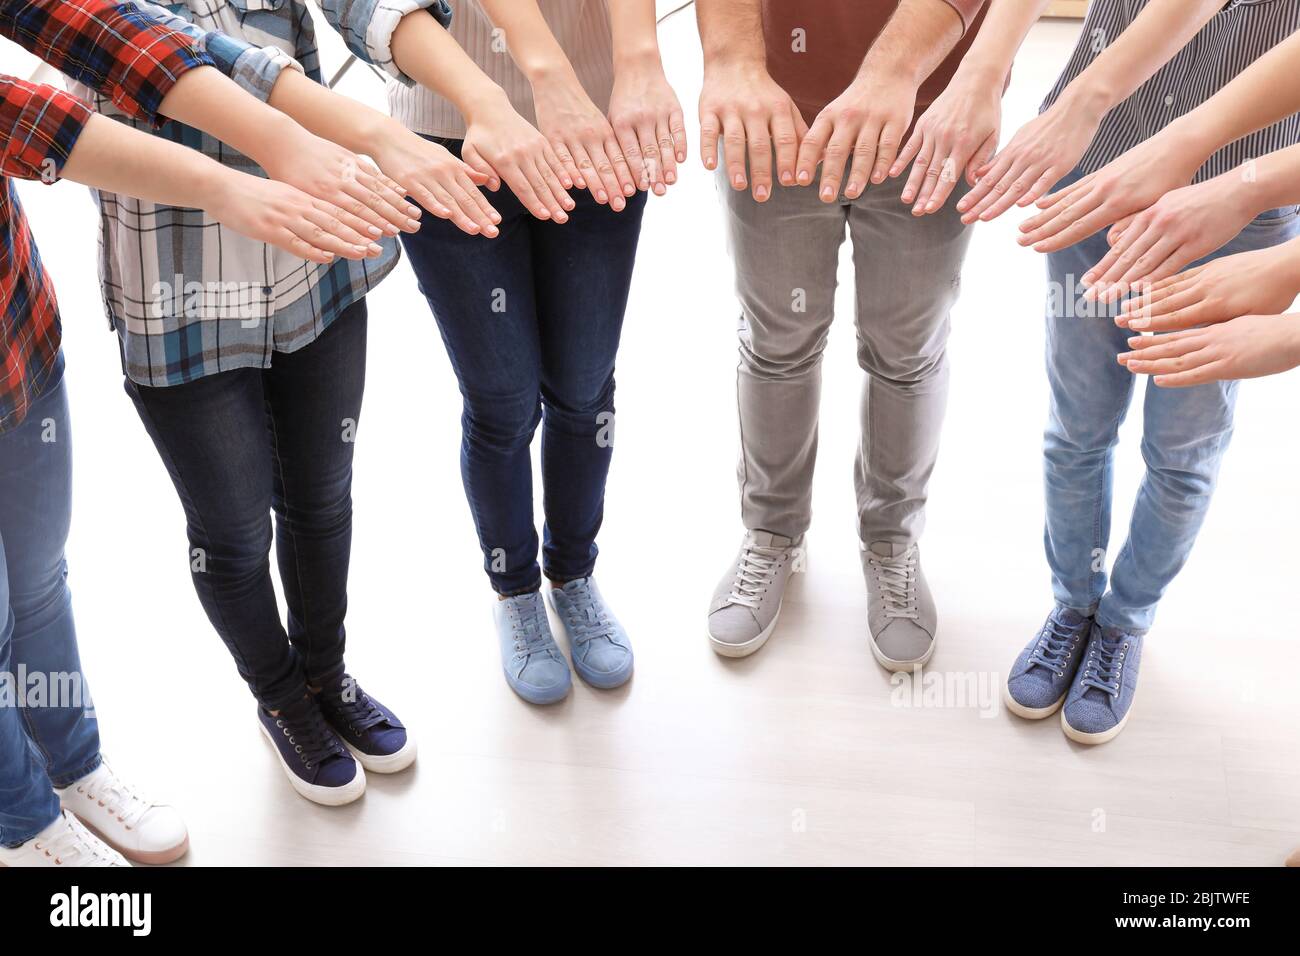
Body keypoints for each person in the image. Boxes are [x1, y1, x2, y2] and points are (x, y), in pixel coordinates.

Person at [63, 0, 507, 805]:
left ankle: (327, 674)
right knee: (231, 532)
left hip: (319, 272)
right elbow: (179, 58)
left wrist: (478, 93)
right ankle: (279, 696)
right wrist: (368, 134)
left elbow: (365, 6)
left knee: (322, 498)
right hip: (181, 305)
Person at [0, 0, 373, 866]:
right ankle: (23, 823)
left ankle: (72, 765)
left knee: (40, 582)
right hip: (175, 303)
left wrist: (307, 135)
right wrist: (238, 175)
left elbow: (95, 24)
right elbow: (29, 113)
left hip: (14, 333)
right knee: (229, 529)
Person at [966, 0, 1300, 743]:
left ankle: (1122, 623)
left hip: (1242, 203)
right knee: (1078, 423)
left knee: (1181, 452)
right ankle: (1074, 603)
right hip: (1094, 165)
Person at [334, 0, 684, 704]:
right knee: (502, 403)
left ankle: (573, 574)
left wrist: (637, 59)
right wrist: (536, 73)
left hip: (595, 120)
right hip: (445, 136)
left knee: (585, 389)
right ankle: (516, 589)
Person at [695, 0, 1001, 669]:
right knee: (779, 341)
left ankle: (891, 542)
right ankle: (771, 533)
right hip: (771, 105)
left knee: (907, 350)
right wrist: (732, 60)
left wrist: (895, 71)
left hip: (933, 113)